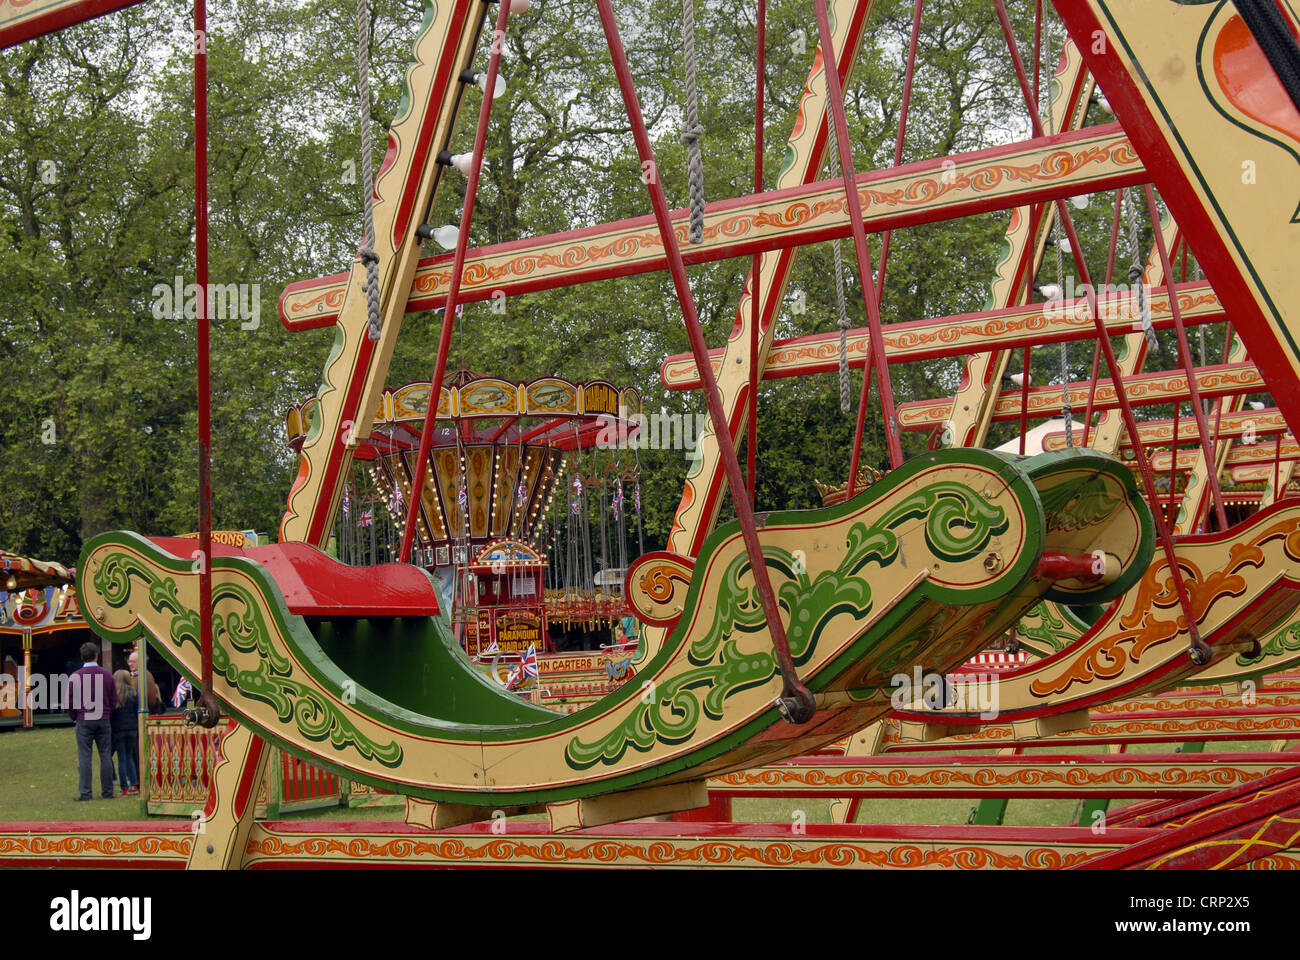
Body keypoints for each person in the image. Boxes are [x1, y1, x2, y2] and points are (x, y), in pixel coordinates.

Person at [67, 641, 117, 800]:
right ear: (97, 655)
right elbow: (113, 699)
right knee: (105, 755)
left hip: (84, 719)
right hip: (103, 718)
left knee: (85, 757)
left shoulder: (75, 676)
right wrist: (108, 712)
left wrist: (75, 717)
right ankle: (108, 791)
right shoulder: (107, 675)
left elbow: (70, 701)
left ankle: (85, 793)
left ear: (82, 657)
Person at [110, 669, 140, 795]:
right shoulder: (134, 693)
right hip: (132, 729)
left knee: (121, 758)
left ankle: (124, 787)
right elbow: (136, 711)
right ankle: (134, 784)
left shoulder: (114, 695)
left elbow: (112, 714)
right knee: (130, 757)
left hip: (119, 730)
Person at [127, 649, 164, 714]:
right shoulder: (134, 675)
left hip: (145, 715)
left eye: (133, 662)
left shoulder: (144, 675)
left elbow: (150, 701)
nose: (130, 664)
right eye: (129, 661)